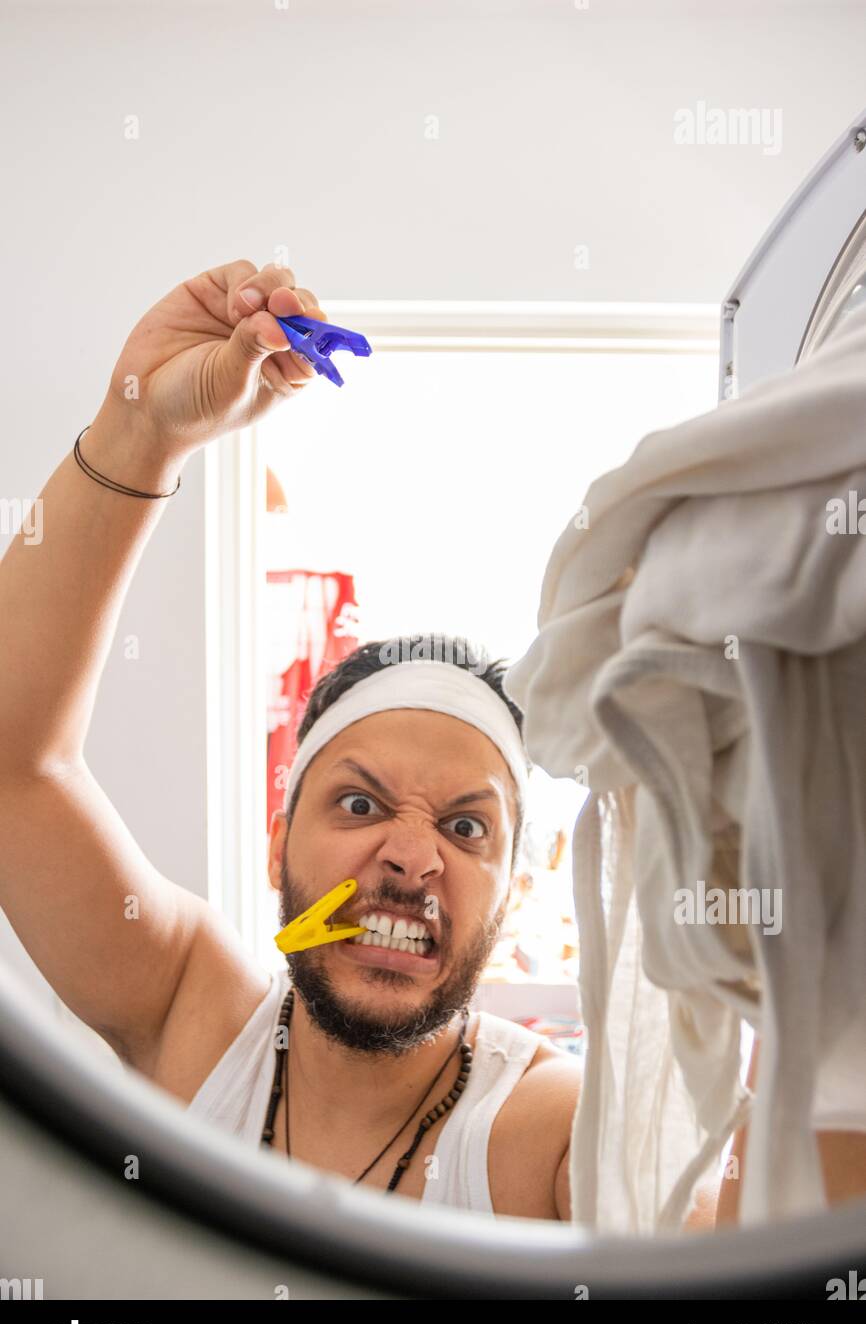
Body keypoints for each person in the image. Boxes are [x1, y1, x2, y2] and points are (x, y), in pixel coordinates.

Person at [0, 259, 713, 1224]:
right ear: (275, 843)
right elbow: (15, 766)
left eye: (467, 829)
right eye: (361, 803)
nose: (413, 856)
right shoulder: (190, 1017)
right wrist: (142, 426)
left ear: (512, 892)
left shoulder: (549, 1133)